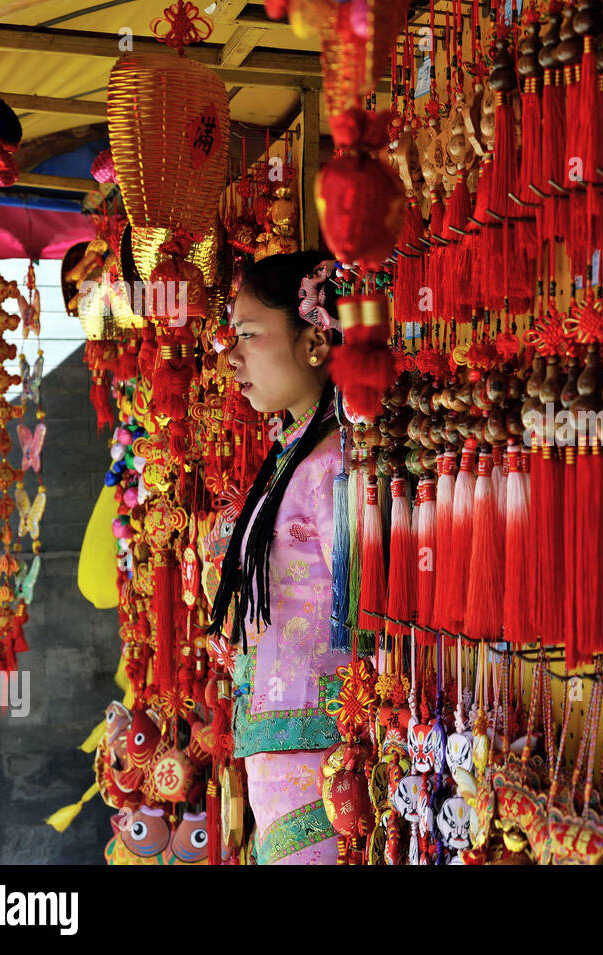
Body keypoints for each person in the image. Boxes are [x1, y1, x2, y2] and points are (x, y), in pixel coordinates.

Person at [208, 251, 351, 865]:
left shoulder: (334, 464)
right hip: (279, 739)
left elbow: (366, 619)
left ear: (315, 340)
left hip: (325, 747)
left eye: (247, 335)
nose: (231, 357)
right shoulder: (293, 455)